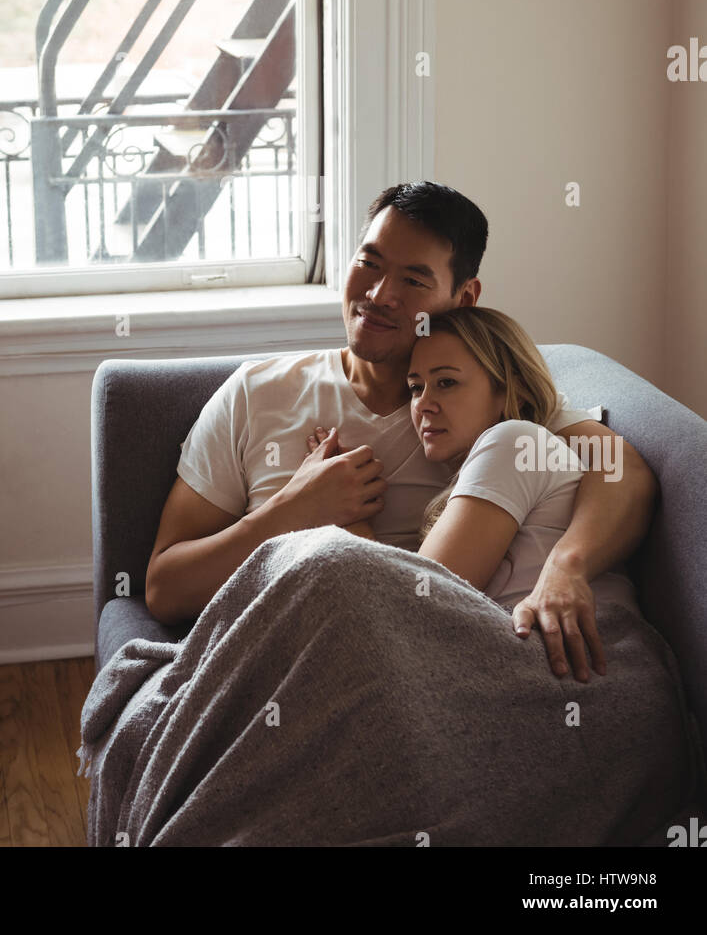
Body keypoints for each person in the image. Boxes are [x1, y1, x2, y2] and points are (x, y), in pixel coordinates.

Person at [145, 180, 658, 682]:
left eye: (413, 279)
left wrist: (569, 565)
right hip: (301, 650)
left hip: (404, 664)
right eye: (368, 263)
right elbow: (165, 589)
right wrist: (293, 512)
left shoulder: (485, 403)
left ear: (465, 296)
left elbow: (623, 470)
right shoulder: (256, 393)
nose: (379, 294)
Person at [304, 305, 644, 621]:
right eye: (415, 387)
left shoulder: (514, 441)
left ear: (513, 388)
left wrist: (350, 520)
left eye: (446, 382)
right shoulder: (509, 455)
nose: (423, 404)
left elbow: (416, 608)